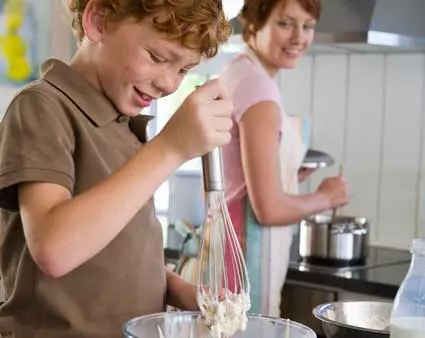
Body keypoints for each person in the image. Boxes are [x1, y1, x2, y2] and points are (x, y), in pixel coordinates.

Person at [0, 0, 233, 337]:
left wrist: (179, 290)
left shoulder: (126, 127)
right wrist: (169, 148)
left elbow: (111, 254)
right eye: (157, 57)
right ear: (98, 21)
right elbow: (54, 249)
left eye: (183, 70)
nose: (169, 84)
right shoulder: (43, 107)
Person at [220, 0, 350, 317]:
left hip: (227, 252)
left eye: (308, 26)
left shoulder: (238, 72)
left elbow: (238, 177)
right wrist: (326, 197)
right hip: (248, 264)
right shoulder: (259, 90)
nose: (298, 38)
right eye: (285, 23)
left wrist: (287, 171)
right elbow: (269, 209)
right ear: (253, 22)